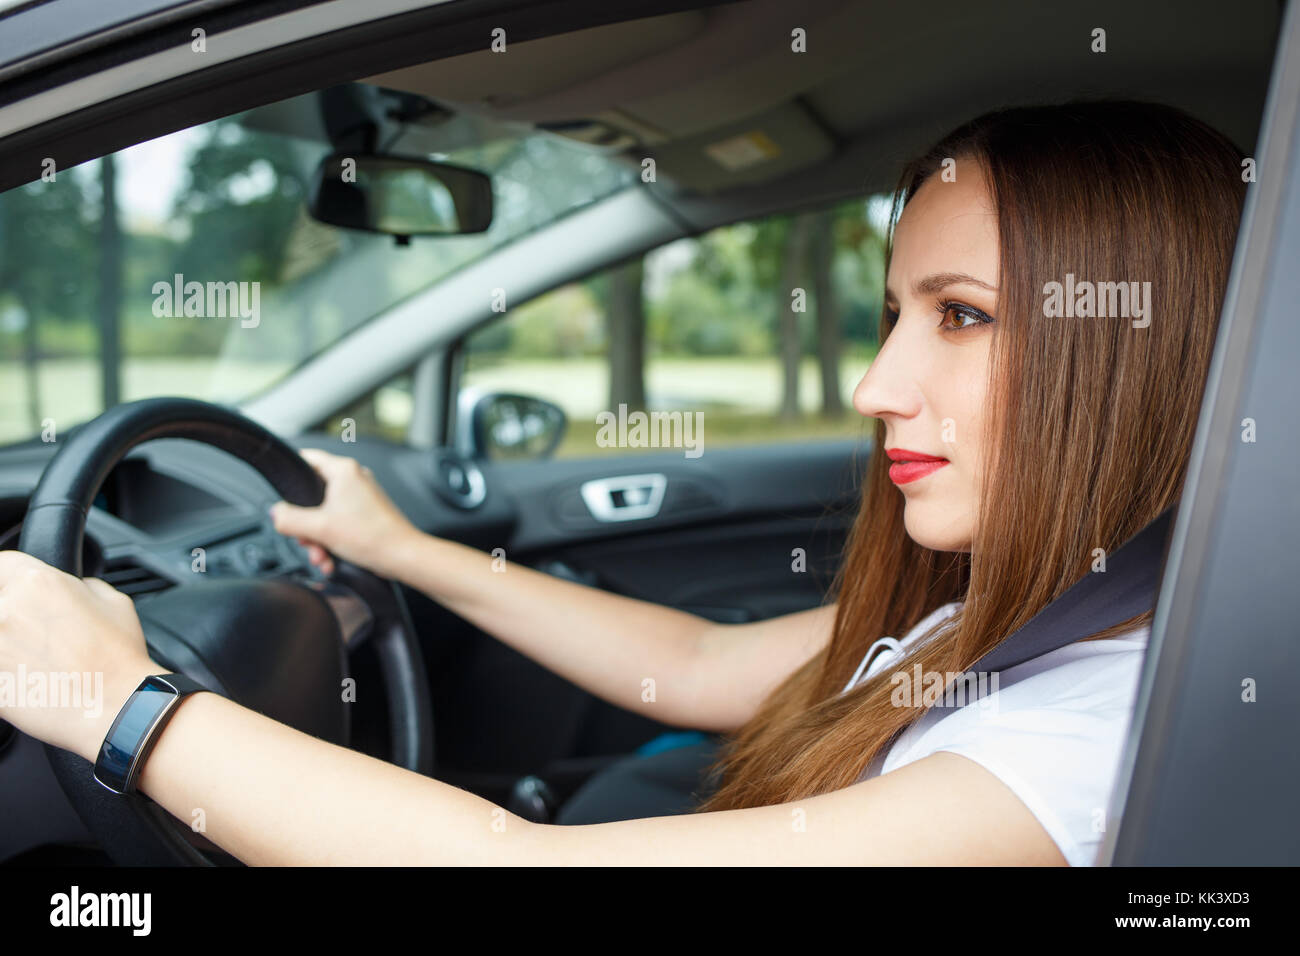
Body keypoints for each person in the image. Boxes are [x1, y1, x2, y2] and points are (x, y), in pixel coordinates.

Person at [0, 100, 1247, 865]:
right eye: (891, 316)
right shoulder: (1013, 613)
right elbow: (702, 667)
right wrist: (404, 545)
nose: (875, 387)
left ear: (1132, 347)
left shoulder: (1085, 748)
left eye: (961, 316)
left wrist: (123, 701)